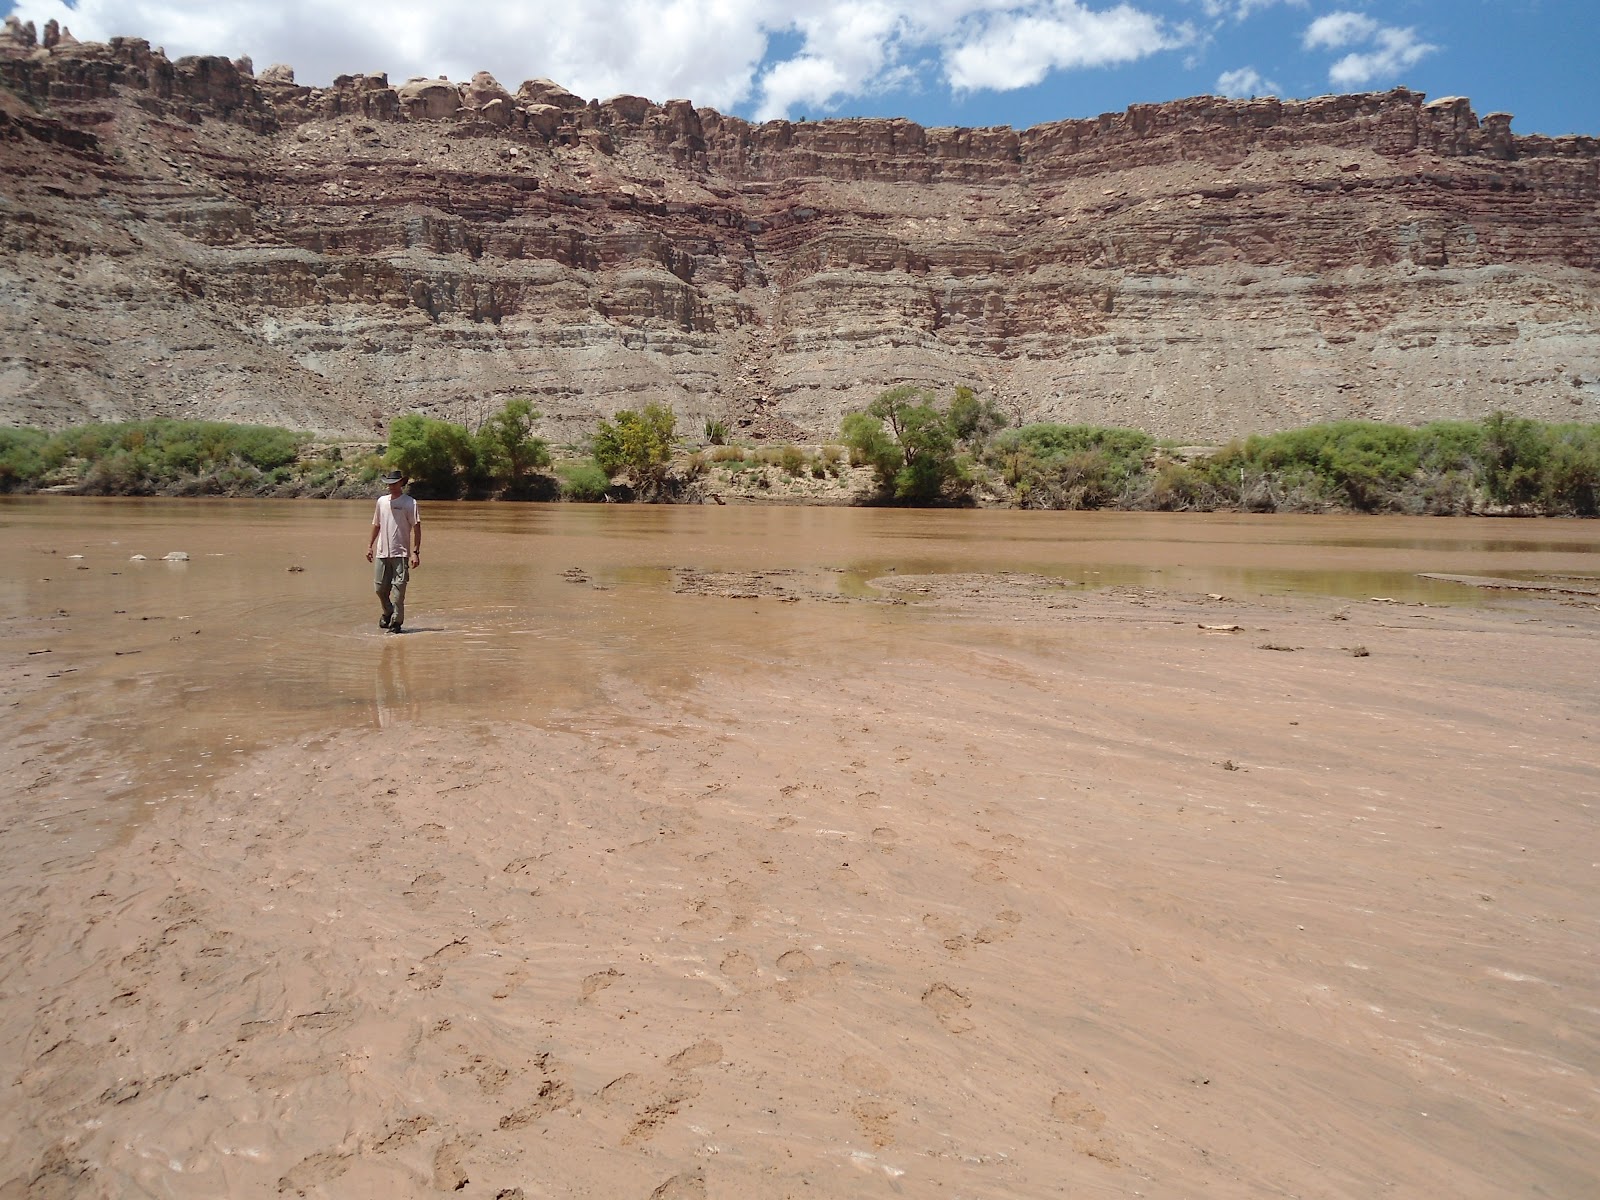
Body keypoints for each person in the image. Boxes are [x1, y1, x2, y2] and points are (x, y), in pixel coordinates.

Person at [366, 470, 421, 633]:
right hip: (382, 553)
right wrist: (369, 545)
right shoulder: (381, 502)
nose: (390, 486)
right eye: (388, 484)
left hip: (401, 553)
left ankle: (397, 623)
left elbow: (417, 527)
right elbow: (376, 524)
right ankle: (387, 611)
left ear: (401, 484)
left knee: (398, 592)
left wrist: (415, 552)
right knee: (380, 589)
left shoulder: (410, 503)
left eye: (394, 483)